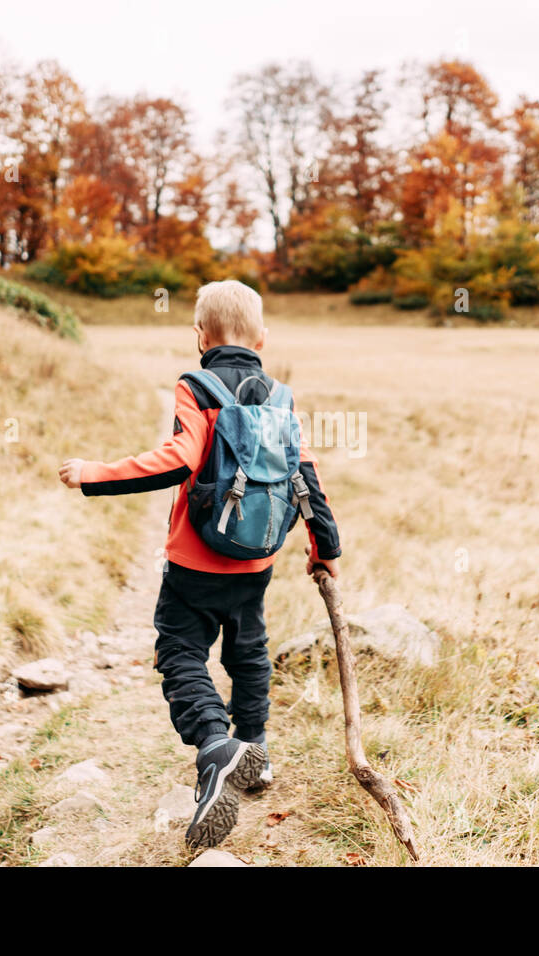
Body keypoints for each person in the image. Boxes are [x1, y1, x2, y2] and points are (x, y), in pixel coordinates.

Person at [58, 279, 341, 848]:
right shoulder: (281, 397)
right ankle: (255, 752)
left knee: (180, 651)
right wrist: (324, 550)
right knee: (248, 651)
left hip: (193, 562)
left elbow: (177, 461)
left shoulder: (198, 387)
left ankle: (216, 744)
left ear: (199, 337)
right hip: (256, 561)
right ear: (262, 336)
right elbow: (305, 479)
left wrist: (95, 472)